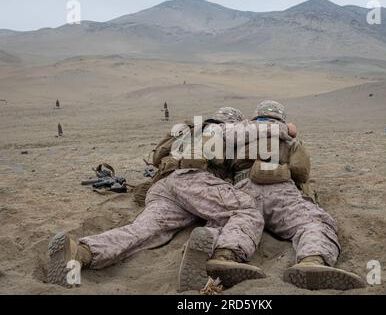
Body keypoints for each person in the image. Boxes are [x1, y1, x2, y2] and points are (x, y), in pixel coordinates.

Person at [47, 108, 265, 291]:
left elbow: (157, 157)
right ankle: (223, 256)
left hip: (163, 187)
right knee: (247, 209)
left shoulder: (189, 131)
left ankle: (81, 253)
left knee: (144, 230)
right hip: (195, 182)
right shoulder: (224, 130)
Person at [227, 100, 366, 290]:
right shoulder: (290, 141)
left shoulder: (239, 136)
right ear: (281, 118)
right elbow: (301, 172)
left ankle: (225, 255)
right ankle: (312, 260)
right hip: (282, 192)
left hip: (243, 189)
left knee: (235, 221)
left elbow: (222, 169)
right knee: (314, 222)